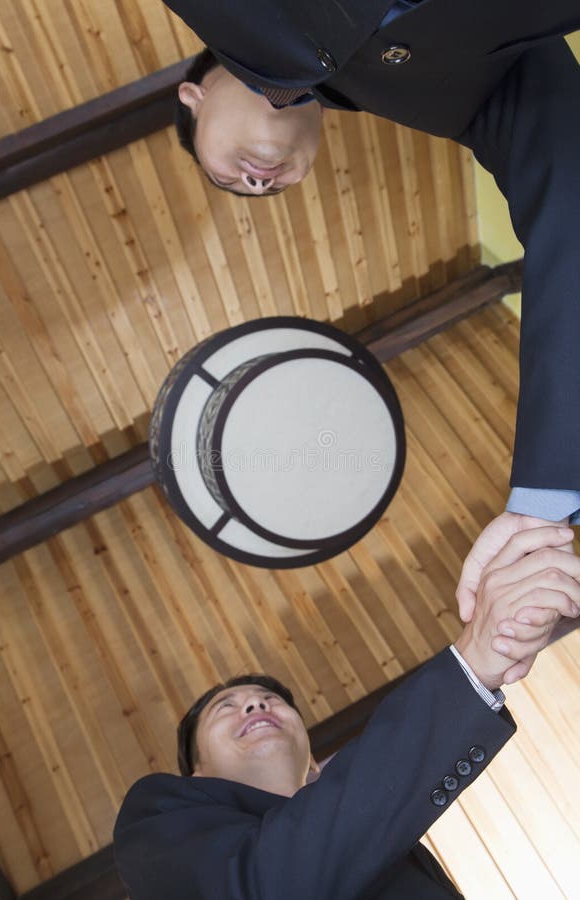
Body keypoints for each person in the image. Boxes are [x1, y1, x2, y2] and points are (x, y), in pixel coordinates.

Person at [164, 0, 580, 623]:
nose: (255, 184)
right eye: (265, 192)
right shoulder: (453, 104)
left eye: (223, 175)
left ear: (192, 96)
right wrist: (542, 502)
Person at [114, 525, 580, 898]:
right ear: (196, 773)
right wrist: (473, 666)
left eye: (271, 699)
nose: (255, 703)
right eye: (225, 707)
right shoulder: (157, 814)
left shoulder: (390, 841)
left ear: (314, 764)